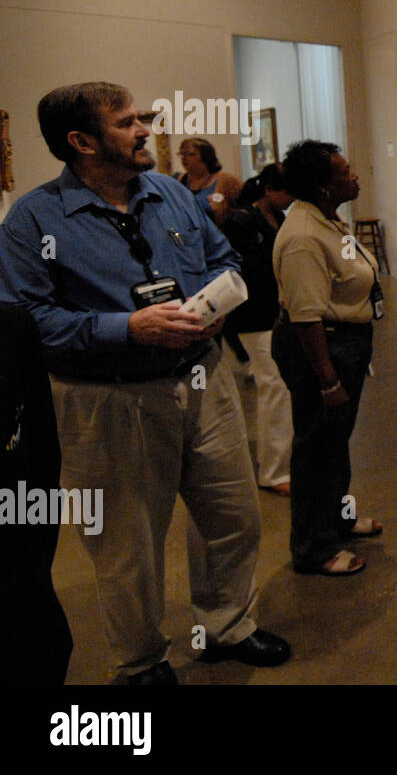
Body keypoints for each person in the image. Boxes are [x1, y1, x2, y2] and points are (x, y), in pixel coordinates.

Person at [0, 81, 290, 683]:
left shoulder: (170, 195)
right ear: (81, 142)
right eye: (128, 122)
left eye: (143, 117)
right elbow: (31, 324)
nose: (145, 131)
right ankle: (140, 662)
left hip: (204, 381)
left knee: (233, 515)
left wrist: (213, 302)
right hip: (107, 399)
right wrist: (127, 328)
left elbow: (222, 259)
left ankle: (227, 625)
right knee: (128, 546)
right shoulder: (34, 219)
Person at [271, 141, 383, 576]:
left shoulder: (328, 220)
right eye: (344, 171)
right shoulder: (303, 236)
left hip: (346, 343)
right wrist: (328, 381)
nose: (354, 176)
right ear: (322, 187)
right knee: (316, 450)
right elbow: (305, 317)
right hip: (321, 348)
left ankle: (336, 519)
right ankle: (312, 547)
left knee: (334, 444)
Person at [0, 305, 74, 684]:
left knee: (45, 645)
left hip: (16, 552)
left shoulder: (12, 326)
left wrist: (36, 559)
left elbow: (44, 450)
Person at [222, 163, 295, 495]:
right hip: (252, 316)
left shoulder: (278, 219)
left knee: (279, 387)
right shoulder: (241, 221)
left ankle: (282, 462)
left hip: (274, 313)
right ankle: (273, 470)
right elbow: (243, 270)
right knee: (275, 386)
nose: (288, 199)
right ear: (268, 190)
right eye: (284, 192)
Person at [178, 136, 242, 226]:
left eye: (190, 154)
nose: (184, 158)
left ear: (205, 156)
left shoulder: (226, 180)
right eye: (182, 154)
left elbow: (242, 208)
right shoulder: (179, 180)